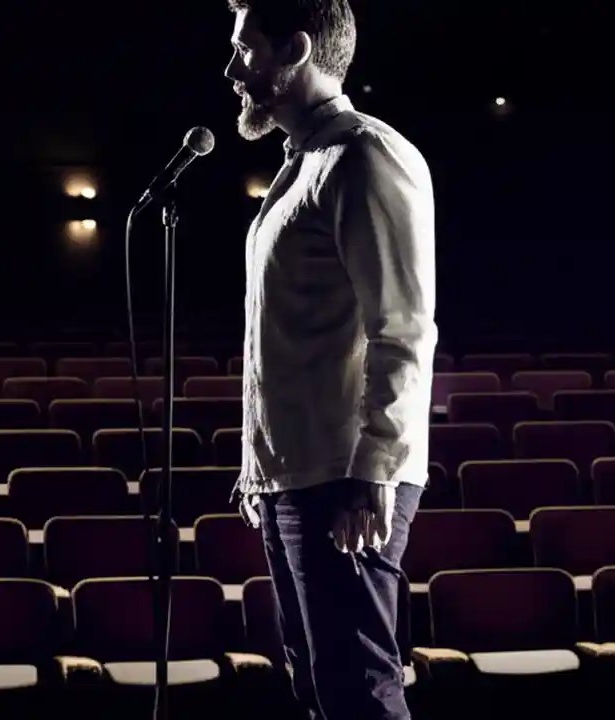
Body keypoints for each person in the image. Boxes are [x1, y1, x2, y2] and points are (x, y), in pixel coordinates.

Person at [223, 1, 437, 718]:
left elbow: (402, 328)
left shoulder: (363, 157)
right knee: (318, 689)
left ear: (296, 50)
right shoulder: (305, 165)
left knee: (359, 693)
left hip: (344, 479)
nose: (232, 71)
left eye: (245, 50)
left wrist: (375, 471)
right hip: (296, 475)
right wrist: (258, 468)